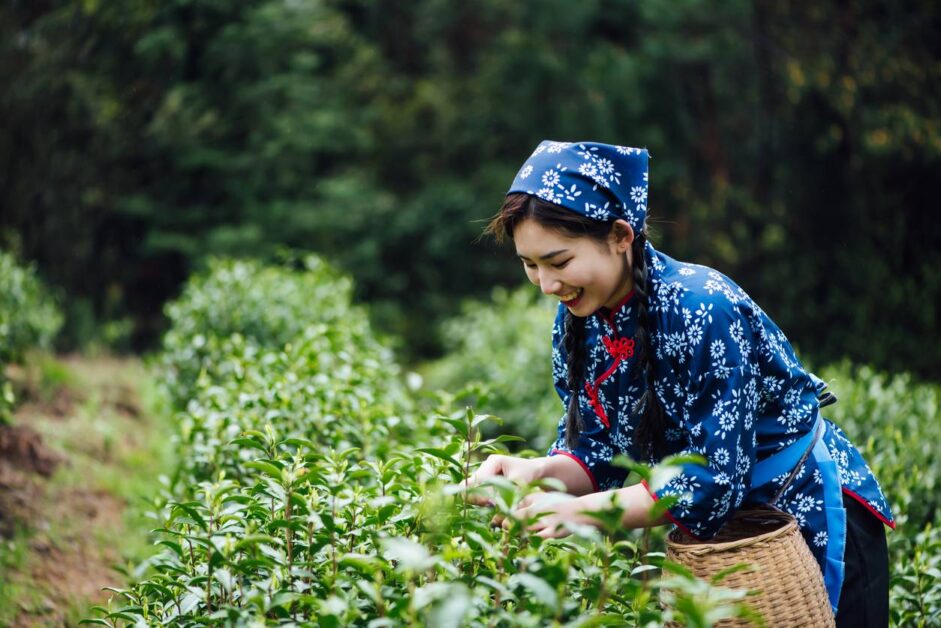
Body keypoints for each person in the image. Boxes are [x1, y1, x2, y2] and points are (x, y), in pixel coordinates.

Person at [470, 140, 894, 627]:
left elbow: (713, 482)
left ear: (620, 236)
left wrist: (582, 513)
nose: (546, 284)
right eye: (530, 265)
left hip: (805, 513)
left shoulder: (702, 307)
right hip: (718, 543)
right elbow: (597, 453)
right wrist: (532, 473)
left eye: (559, 262)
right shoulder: (579, 320)